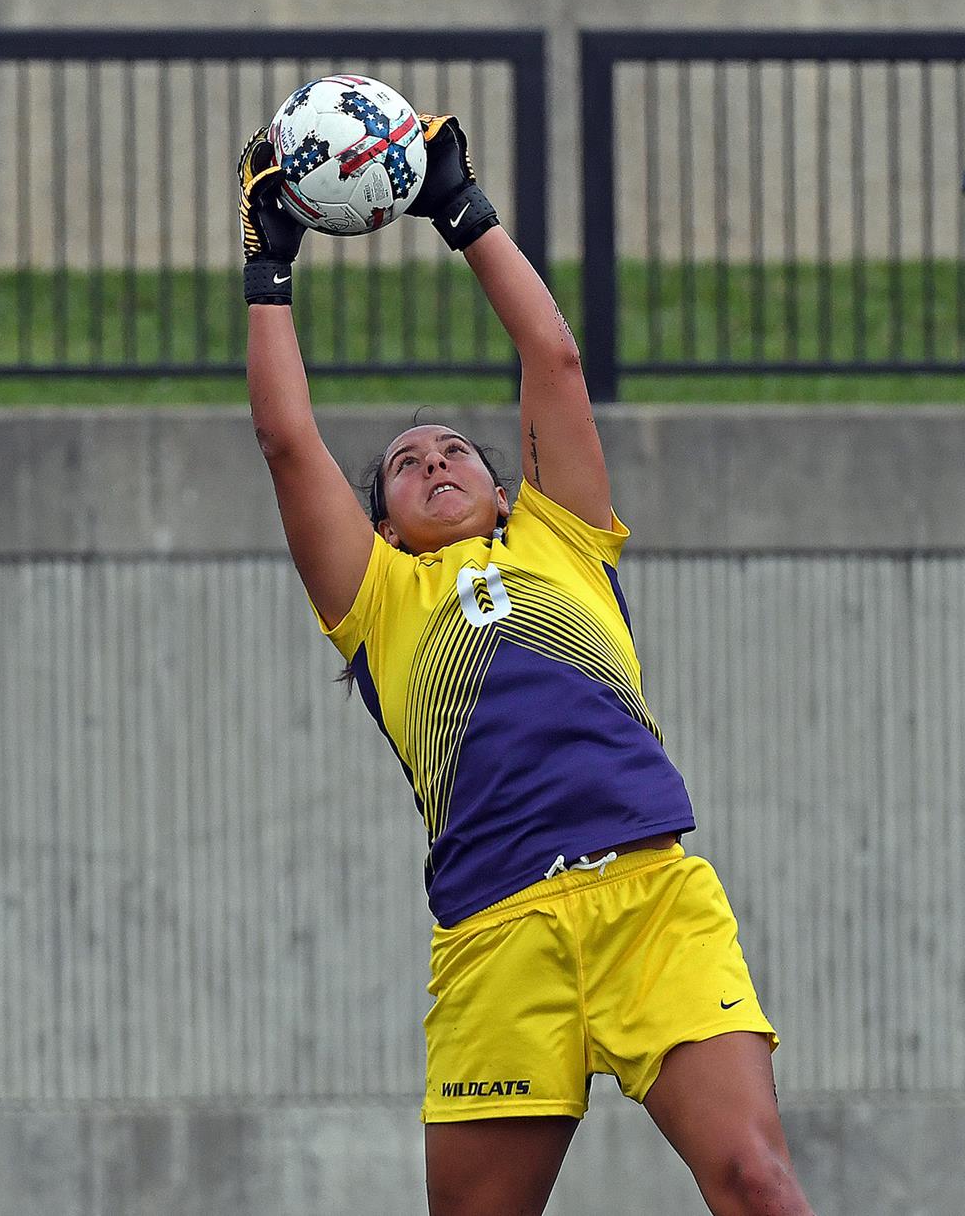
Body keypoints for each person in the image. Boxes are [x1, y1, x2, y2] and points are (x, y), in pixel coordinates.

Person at [239, 112, 815, 1216]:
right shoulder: (376, 598)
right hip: (498, 932)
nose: (434, 458)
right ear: (387, 525)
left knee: (754, 1180)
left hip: (650, 900)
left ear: (505, 491)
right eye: (406, 465)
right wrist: (269, 268)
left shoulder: (563, 534)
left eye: (455, 449)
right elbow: (285, 440)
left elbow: (550, 354)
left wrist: (464, 213)